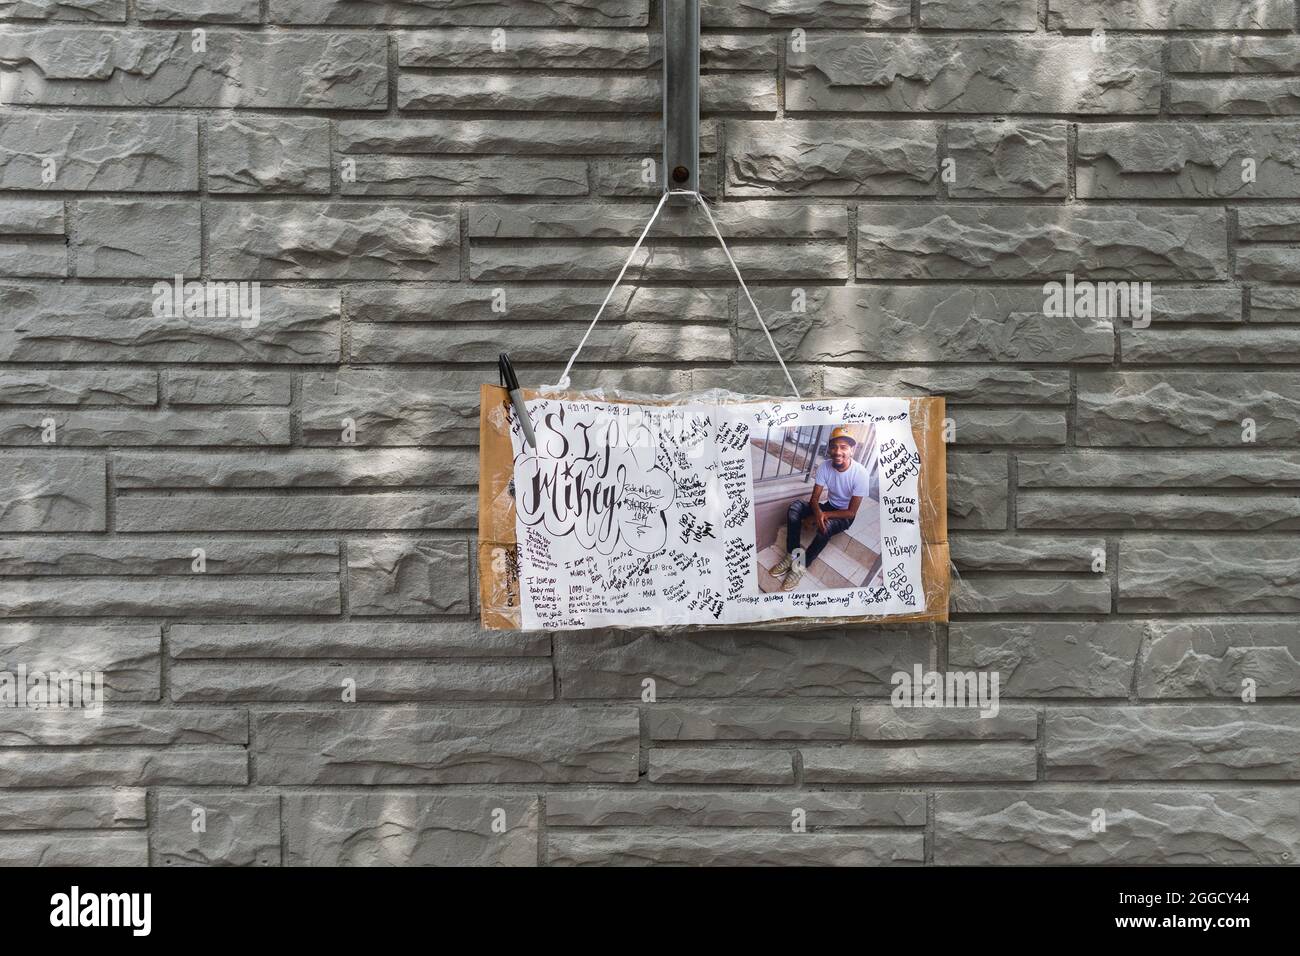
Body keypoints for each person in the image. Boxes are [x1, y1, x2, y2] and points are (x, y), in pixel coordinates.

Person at [772, 426, 869, 590]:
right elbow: (814, 499)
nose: (837, 451)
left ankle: (800, 567)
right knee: (795, 508)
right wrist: (818, 513)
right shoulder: (825, 466)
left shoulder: (861, 473)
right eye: (834, 446)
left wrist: (822, 516)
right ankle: (793, 554)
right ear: (829, 449)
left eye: (844, 447)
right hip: (829, 506)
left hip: (844, 515)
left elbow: (851, 512)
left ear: (852, 450)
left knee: (825, 527)